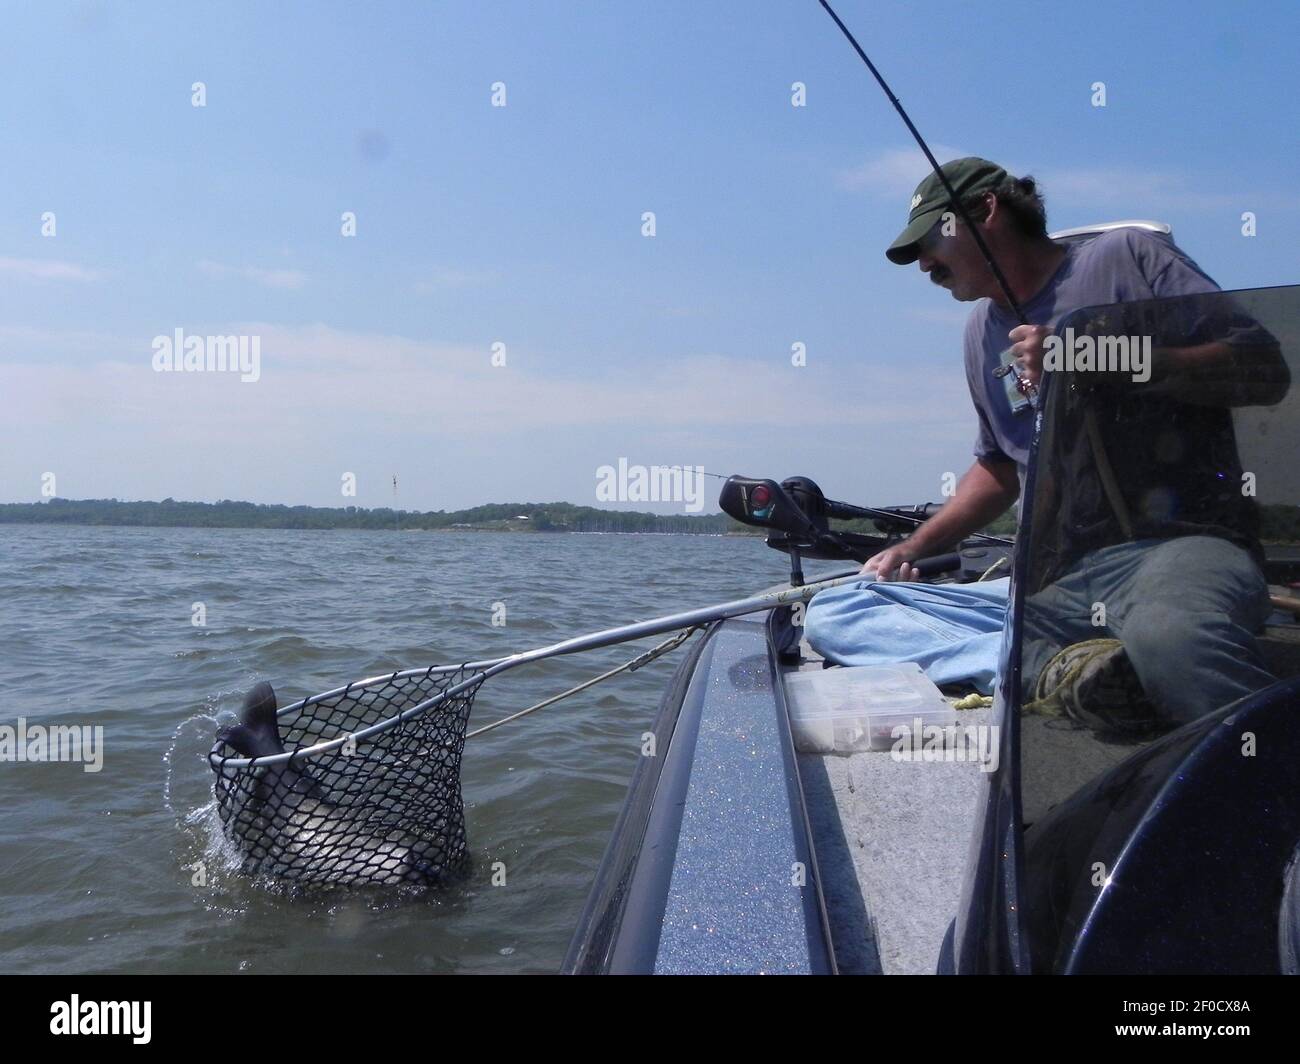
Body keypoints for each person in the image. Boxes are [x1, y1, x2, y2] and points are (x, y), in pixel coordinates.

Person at [862, 157, 1288, 726]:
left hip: (1178, 547)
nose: (922, 265)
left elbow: (1262, 368)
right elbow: (998, 465)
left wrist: (1095, 357)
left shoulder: (1127, 257)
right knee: (847, 611)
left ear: (987, 209)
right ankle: (1082, 667)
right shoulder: (980, 333)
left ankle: (1263, 781)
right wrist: (911, 549)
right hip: (1058, 575)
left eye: (930, 241)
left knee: (1171, 633)